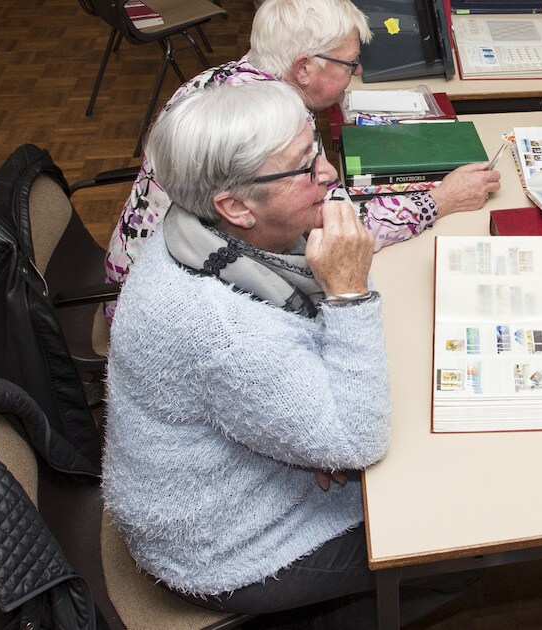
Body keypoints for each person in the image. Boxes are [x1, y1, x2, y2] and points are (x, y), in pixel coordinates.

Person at [102, 80, 474, 625]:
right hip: (222, 546)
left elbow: (288, 374)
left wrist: (306, 437)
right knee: (457, 546)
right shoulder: (220, 326)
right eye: (304, 167)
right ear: (235, 205)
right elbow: (356, 441)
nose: (327, 173)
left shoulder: (204, 235)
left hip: (222, 474)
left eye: (316, 148)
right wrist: (349, 292)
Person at [104, 0, 500, 286]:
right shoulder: (277, 129)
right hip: (177, 304)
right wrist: (441, 200)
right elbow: (334, 232)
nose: (357, 72)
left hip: (148, 272)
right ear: (304, 68)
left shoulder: (221, 82)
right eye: (349, 64)